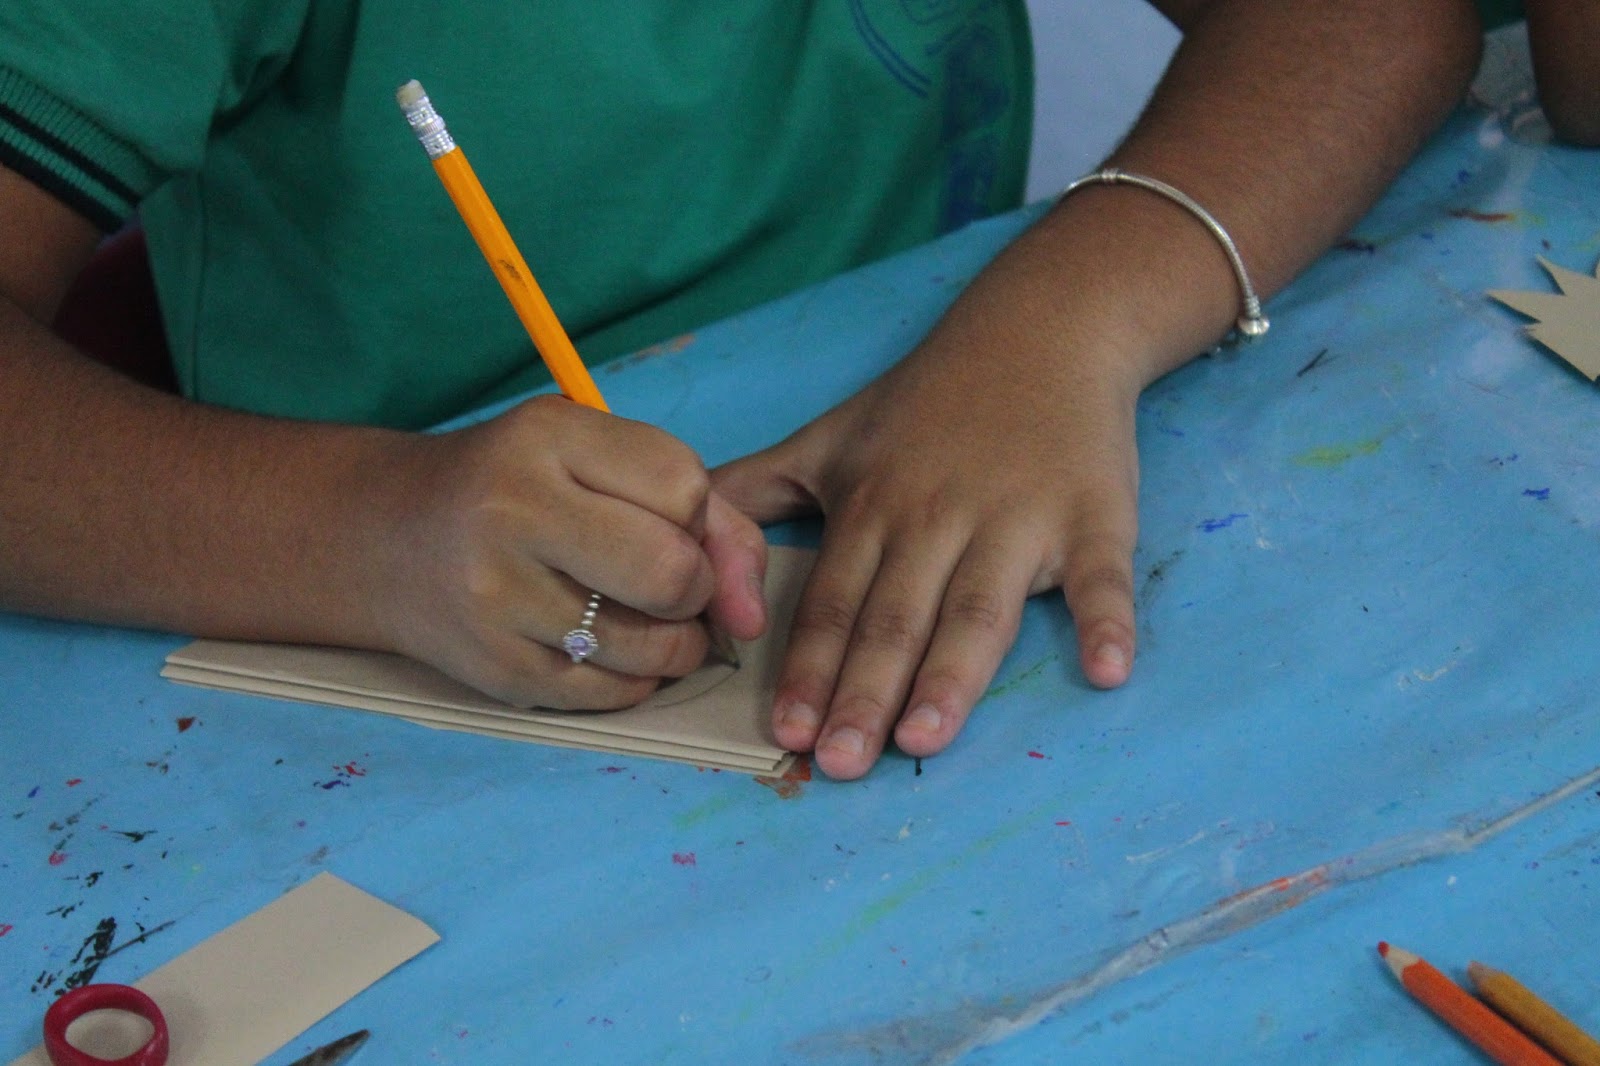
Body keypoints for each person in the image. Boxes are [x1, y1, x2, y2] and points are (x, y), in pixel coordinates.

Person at [0, 2, 1482, 780]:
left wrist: (1067, 322)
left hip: (991, 431)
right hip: (400, 671)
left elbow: (1374, 20)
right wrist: (370, 528)